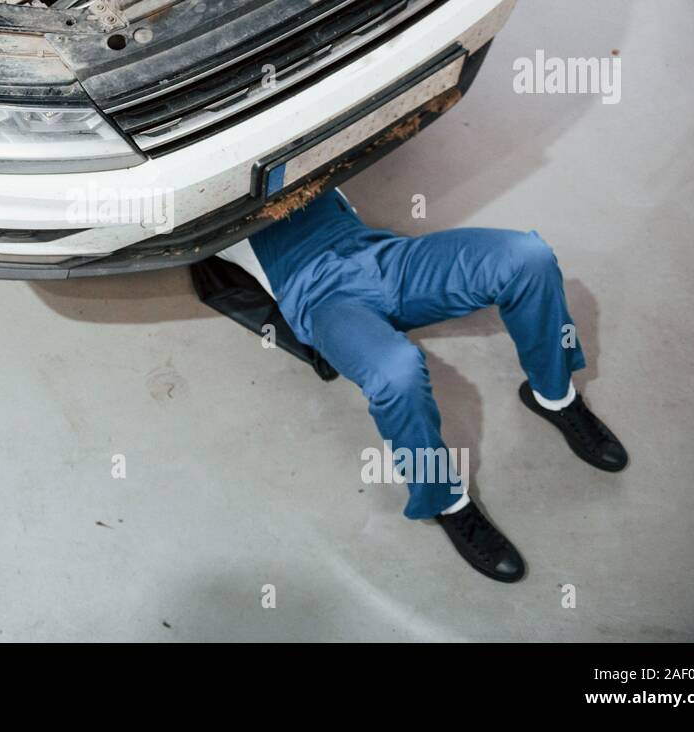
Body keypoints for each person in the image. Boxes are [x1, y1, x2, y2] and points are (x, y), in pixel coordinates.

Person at [218, 188, 627, 582]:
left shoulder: (289, 136)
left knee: (529, 258)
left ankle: (555, 396)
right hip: (324, 299)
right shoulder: (209, 189)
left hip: (384, 257)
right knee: (396, 371)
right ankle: (446, 501)